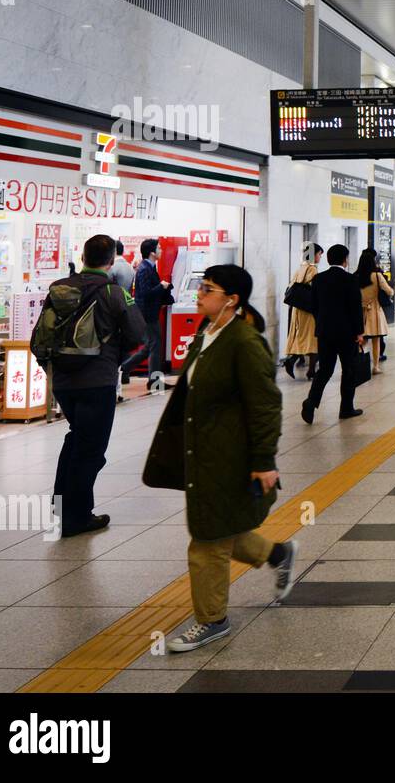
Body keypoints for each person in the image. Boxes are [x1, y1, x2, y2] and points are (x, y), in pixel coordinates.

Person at [142, 264, 298, 652]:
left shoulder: (244, 342)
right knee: (221, 527)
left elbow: (265, 405)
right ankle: (278, 554)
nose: (200, 293)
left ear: (232, 299)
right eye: (201, 286)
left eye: (208, 289)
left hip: (230, 455)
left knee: (206, 538)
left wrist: (264, 459)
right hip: (201, 450)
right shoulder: (206, 333)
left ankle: (211, 620)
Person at [42, 234, 145, 537]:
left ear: (83, 257)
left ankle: (62, 505)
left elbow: (44, 333)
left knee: (76, 438)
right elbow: (137, 333)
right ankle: (76, 518)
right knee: (91, 450)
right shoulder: (114, 293)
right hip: (97, 381)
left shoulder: (60, 288)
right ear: (111, 261)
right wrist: (114, 352)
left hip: (62, 381)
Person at [301, 244, 365, 424]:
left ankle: (311, 401)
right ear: (345, 260)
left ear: (328, 259)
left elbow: (313, 306)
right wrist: (359, 332)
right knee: (349, 369)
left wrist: (322, 322)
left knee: (325, 370)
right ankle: (346, 408)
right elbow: (355, 308)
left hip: (325, 332)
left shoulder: (319, 279)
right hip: (347, 334)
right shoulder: (350, 280)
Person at [121, 238, 173, 388]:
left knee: (149, 346)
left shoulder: (149, 267)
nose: (161, 250)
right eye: (159, 248)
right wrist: (161, 286)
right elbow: (145, 294)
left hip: (149, 313)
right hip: (147, 315)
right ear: (152, 252)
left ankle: (124, 368)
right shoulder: (144, 269)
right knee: (154, 345)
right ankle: (155, 381)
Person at [283, 242, 321, 380]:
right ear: (313, 254)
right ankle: (310, 370)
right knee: (313, 338)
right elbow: (315, 289)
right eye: (318, 254)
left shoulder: (300, 268)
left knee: (302, 337)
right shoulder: (312, 269)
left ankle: (293, 360)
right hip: (308, 310)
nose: (319, 257)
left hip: (297, 308)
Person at [356, 248, 394, 373]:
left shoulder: (355, 276)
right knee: (376, 340)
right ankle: (375, 366)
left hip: (360, 312)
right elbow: (389, 291)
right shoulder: (377, 276)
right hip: (375, 311)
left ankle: (356, 362)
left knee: (362, 339)